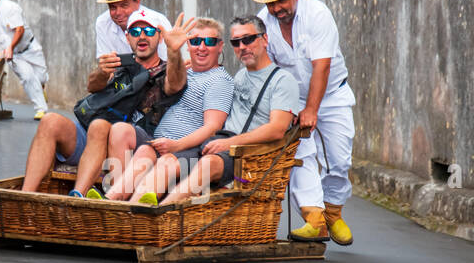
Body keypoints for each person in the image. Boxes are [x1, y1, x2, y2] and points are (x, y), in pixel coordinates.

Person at [19, 10, 186, 194]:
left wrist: (174, 51)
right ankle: (25, 195)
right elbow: (93, 86)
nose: (142, 36)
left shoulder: (166, 70)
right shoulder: (120, 65)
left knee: (100, 125)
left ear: (160, 37)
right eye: (136, 32)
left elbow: (176, 84)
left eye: (149, 31)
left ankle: (78, 196)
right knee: (50, 120)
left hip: (131, 143)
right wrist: (102, 71)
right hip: (94, 139)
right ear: (127, 37)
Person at [254, 0, 356, 244]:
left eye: (281, 1)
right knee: (300, 156)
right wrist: (282, 106)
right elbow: (269, 66)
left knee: (339, 159)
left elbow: (321, 66)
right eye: (271, 3)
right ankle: (314, 218)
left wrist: (312, 109)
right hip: (294, 96)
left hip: (332, 94)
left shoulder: (318, 14)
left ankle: (333, 211)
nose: (276, 9)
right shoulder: (264, 22)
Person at [158, 16, 300, 206]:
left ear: (265, 39)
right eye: (236, 42)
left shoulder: (283, 80)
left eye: (248, 39)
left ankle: (162, 213)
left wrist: (230, 143)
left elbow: (277, 129)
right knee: (166, 161)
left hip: (247, 156)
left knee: (207, 165)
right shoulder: (240, 76)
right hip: (216, 146)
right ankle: (134, 211)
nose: (242, 46)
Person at [100, 16, 234, 204]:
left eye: (209, 42)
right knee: (121, 131)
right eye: (195, 41)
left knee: (162, 160)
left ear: (220, 47)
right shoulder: (185, 70)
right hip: (158, 141)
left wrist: (176, 145)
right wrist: (174, 51)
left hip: (186, 149)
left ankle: (131, 209)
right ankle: (113, 200)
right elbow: (172, 83)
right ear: (188, 46)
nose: (201, 47)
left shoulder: (219, 81)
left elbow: (212, 127)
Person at [0, 0, 48, 120]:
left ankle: (40, 87)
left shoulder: (10, 7)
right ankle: (41, 109)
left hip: (30, 48)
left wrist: (10, 47)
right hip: (14, 56)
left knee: (40, 78)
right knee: (27, 77)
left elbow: (19, 30)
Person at [94, 0, 172, 62]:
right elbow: (106, 64)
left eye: (124, 5)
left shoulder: (159, 22)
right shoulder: (103, 23)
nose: (118, 12)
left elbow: (167, 63)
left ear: (137, 1)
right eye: (113, 8)